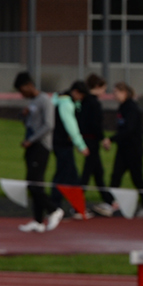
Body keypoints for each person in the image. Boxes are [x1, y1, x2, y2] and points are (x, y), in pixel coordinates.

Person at [15, 73, 63, 233]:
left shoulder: (44, 100)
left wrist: (32, 140)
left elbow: (49, 125)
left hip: (41, 146)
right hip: (31, 146)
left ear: (29, 85)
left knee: (35, 183)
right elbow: (31, 124)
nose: (22, 94)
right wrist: (25, 116)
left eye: (22, 90)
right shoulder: (33, 102)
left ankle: (54, 210)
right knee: (33, 183)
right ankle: (38, 220)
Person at [107, 82, 143, 218]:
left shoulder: (131, 108)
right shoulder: (122, 107)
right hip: (123, 148)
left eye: (116, 93)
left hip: (133, 149)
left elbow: (129, 129)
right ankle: (111, 204)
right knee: (115, 177)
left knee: (137, 178)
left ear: (124, 92)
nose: (115, 96)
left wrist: (112, 139)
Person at [51, 81, 91, 217]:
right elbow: (71, 126)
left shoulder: (59, 100)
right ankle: (54, 207)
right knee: (63, 175)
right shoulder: (66, 104)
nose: (81, 99)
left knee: (71, 175)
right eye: (81, 96)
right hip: (62, 143)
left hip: (58, 142)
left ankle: (77, 208)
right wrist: (81, 145)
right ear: (76, 92)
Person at [81, 73, 115, 216]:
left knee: (97, 172)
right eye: (103, 89)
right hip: (92, 141)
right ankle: (76, 204)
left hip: (87, 140)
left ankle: (110, 201)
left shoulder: (83, 101)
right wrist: (103, 139)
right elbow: (96, 124)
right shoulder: (94, 103)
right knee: (87, 173)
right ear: (97, 87)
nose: (104, 92)